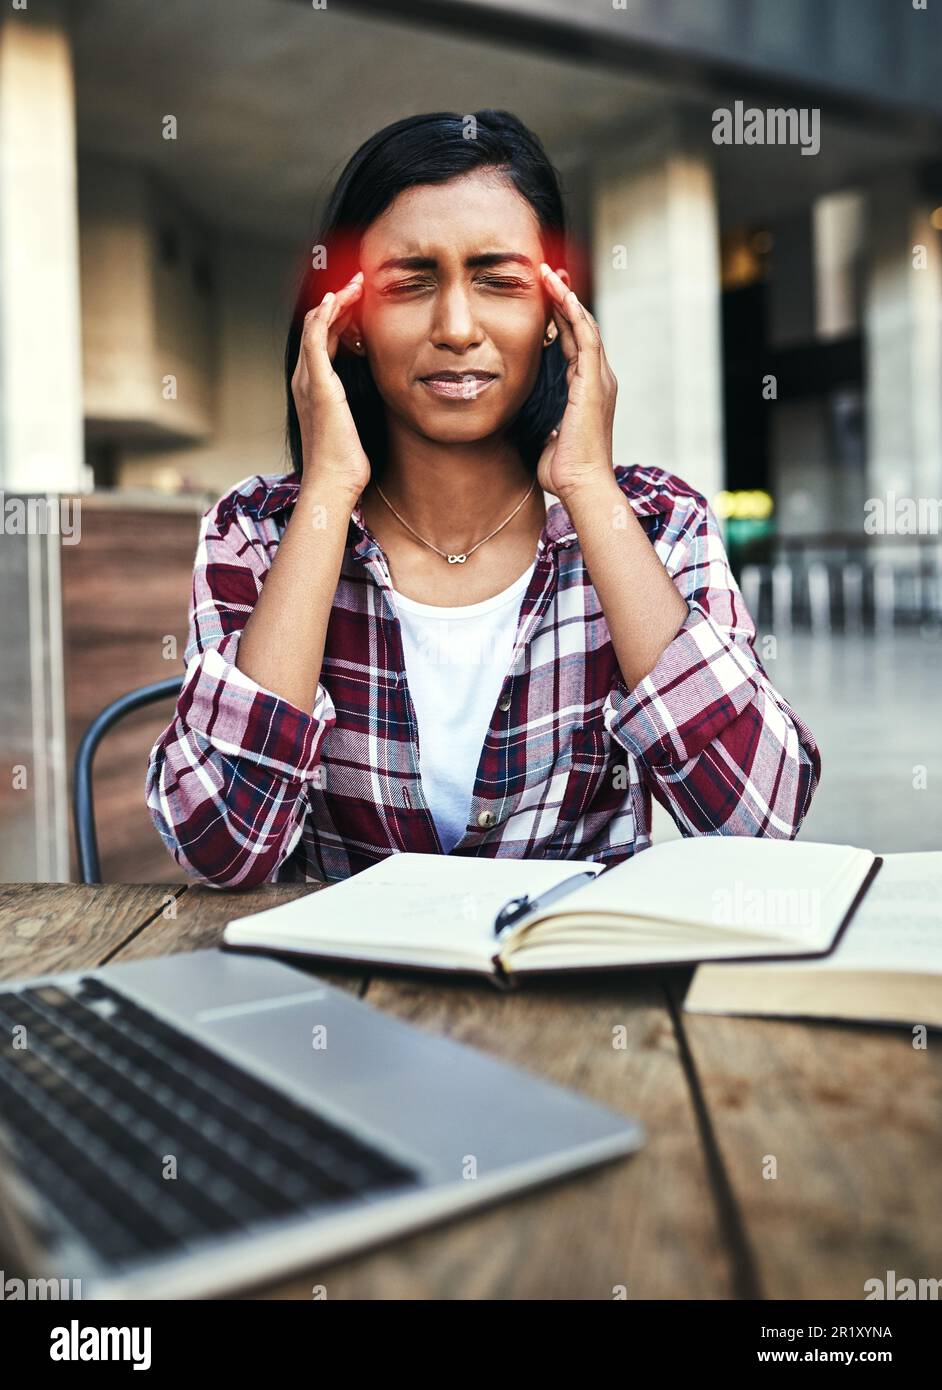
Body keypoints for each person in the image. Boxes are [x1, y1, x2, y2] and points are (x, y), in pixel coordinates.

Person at [146, 109, 820, 888]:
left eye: (500, 282)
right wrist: (328, 491)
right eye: (410, 283)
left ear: (552, 316)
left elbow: (759, 825)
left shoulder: (658, 524)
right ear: (350, 323)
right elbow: (222, 849)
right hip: (335, 1002)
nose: (458, 326)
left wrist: (590, 488)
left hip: (575, 1003)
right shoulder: (256, 533)